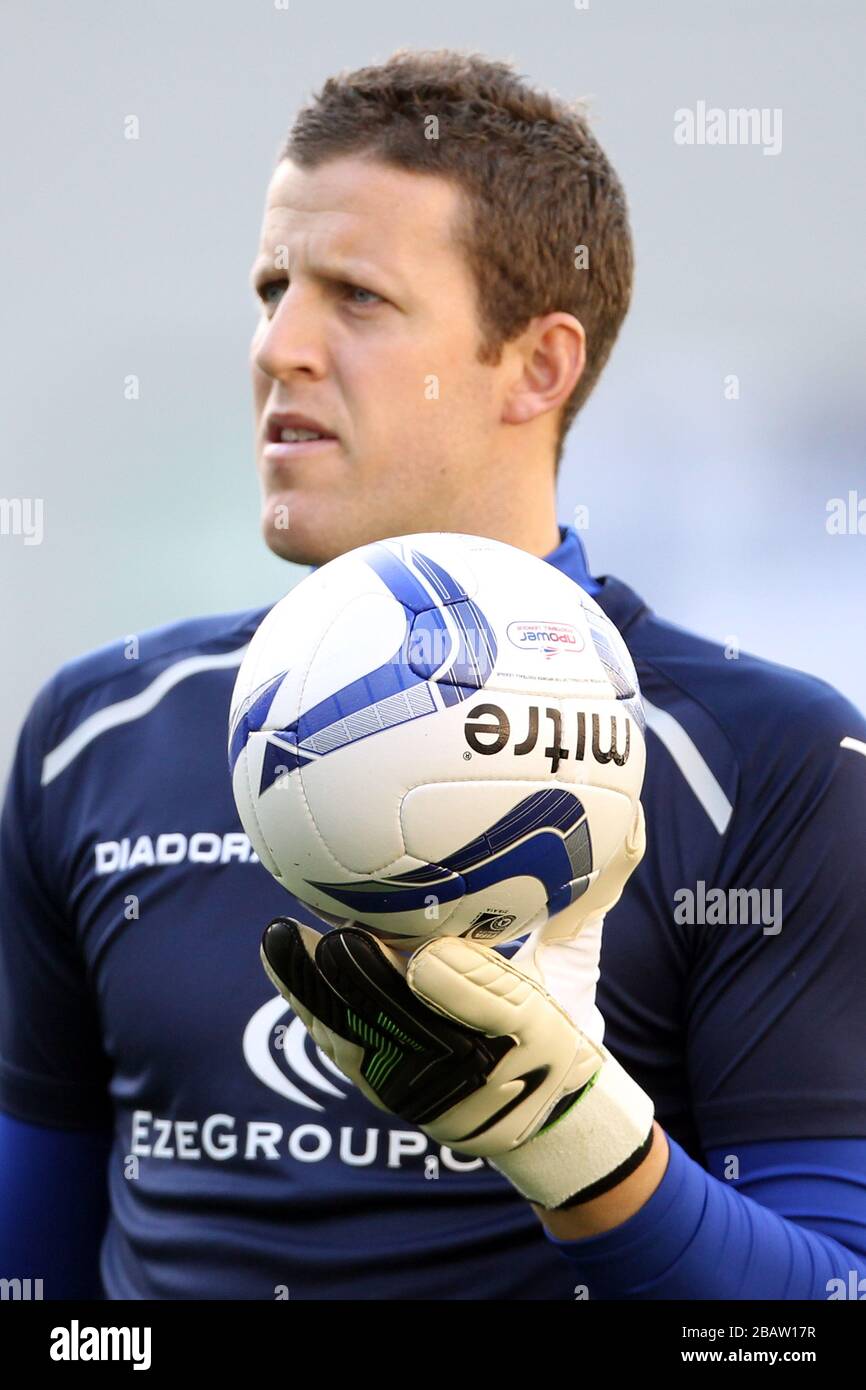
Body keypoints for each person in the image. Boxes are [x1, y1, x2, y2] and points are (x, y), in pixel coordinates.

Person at [2, 49, 865, 1301]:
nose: (279, 346)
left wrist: (576, 1149)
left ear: (537, 366)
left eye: (354, 296)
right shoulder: (96, 732)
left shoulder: (768, 764)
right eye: (269, 287)